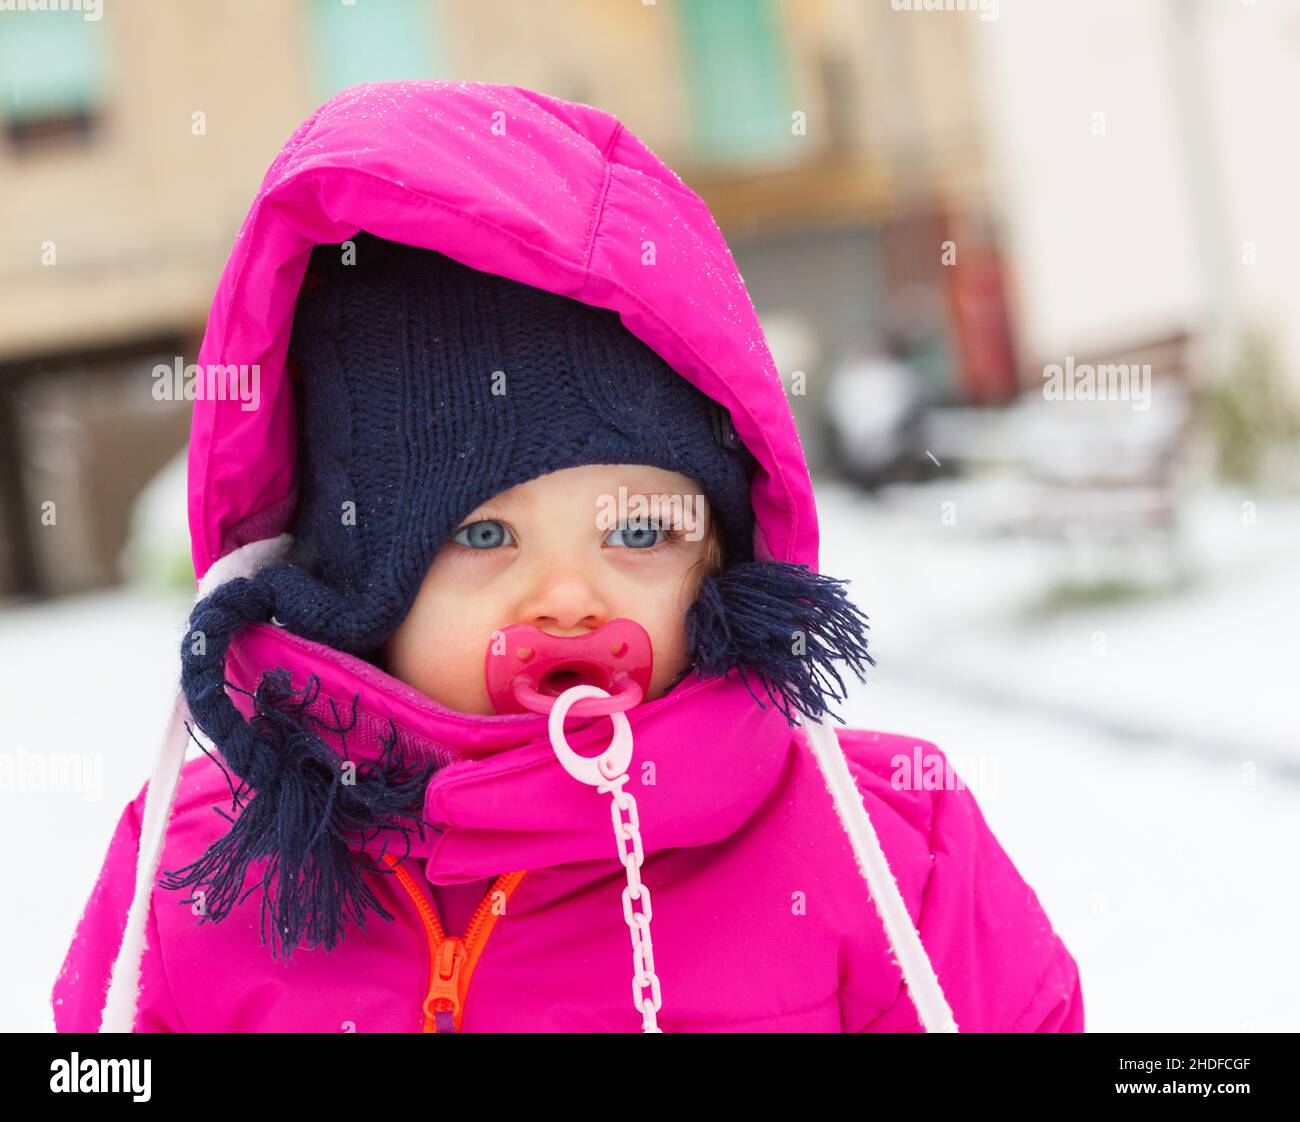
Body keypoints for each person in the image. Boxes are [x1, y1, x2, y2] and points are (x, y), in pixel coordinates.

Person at [51, 80, 1082, 1033]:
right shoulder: (193, 884)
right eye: (482, 534)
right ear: (347, 585)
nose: (569, 599)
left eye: (638, 532)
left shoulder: (884, 856)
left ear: (722, 557)